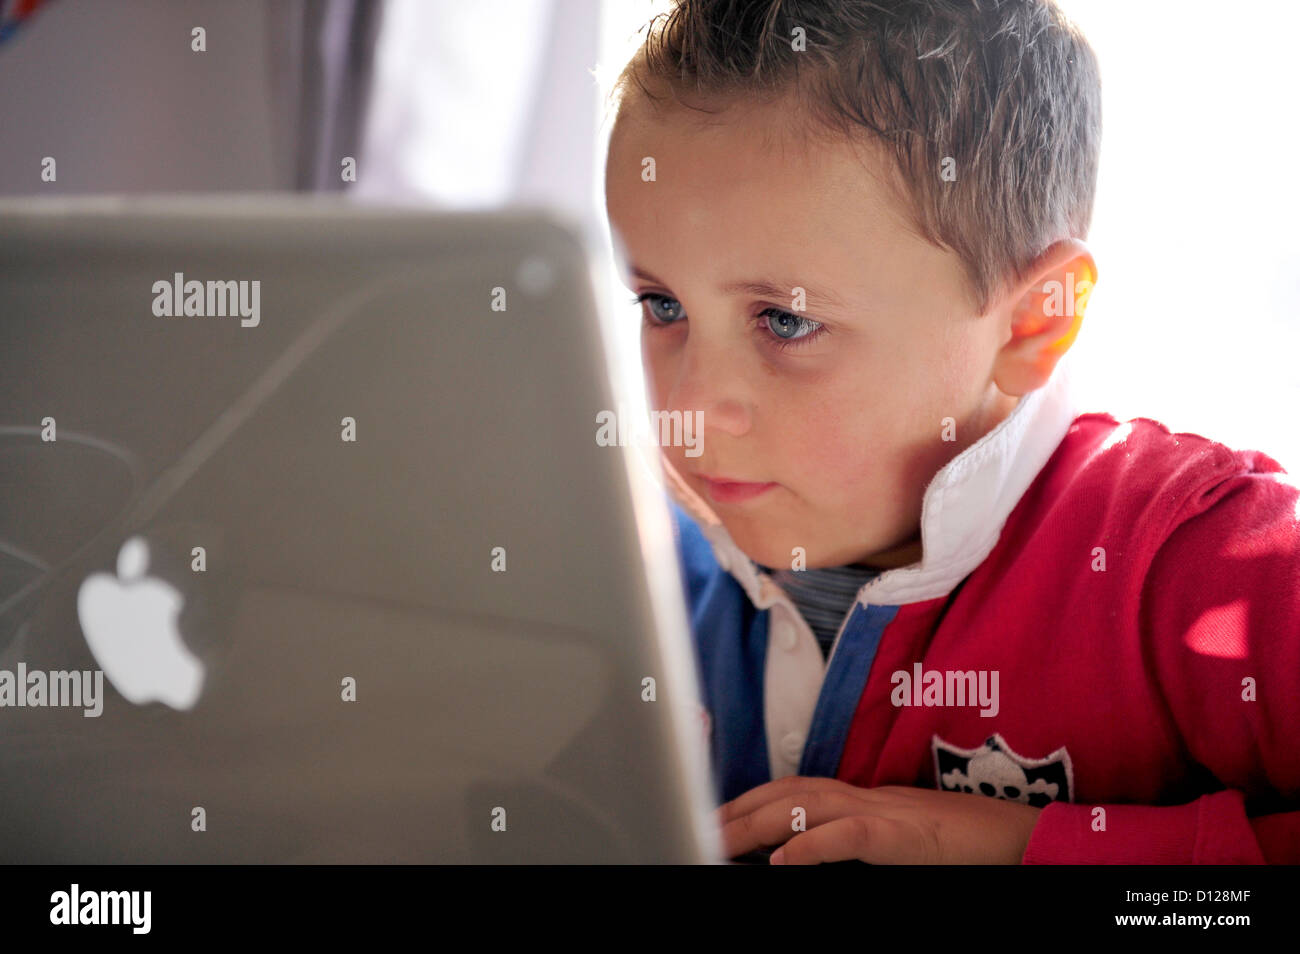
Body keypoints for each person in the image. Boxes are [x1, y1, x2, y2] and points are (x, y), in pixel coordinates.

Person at [603, 0, 1300, 864]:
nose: (693, 406)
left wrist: (1034, 850)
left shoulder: (1197, 562)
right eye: (660, 304)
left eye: (785, 322)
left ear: (1029, 324)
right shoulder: (633, 567)